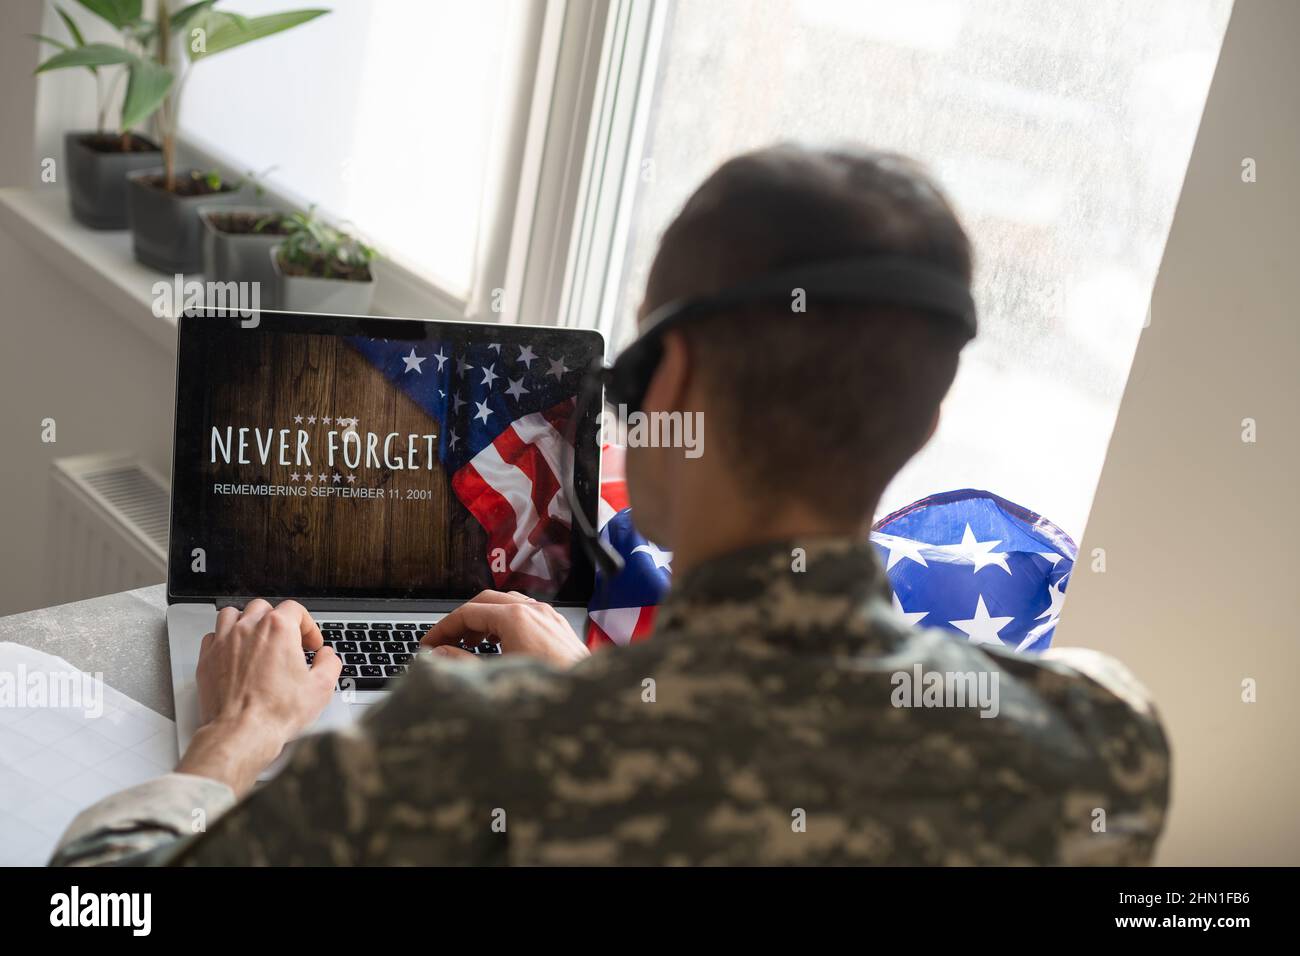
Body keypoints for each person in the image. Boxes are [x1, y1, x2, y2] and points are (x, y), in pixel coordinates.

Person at [51, 145, 1169, 866]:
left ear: (667, 385)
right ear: (924, 427)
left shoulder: (460, 757)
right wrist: (599, 692)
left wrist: (234, 736)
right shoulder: (1101, 736)